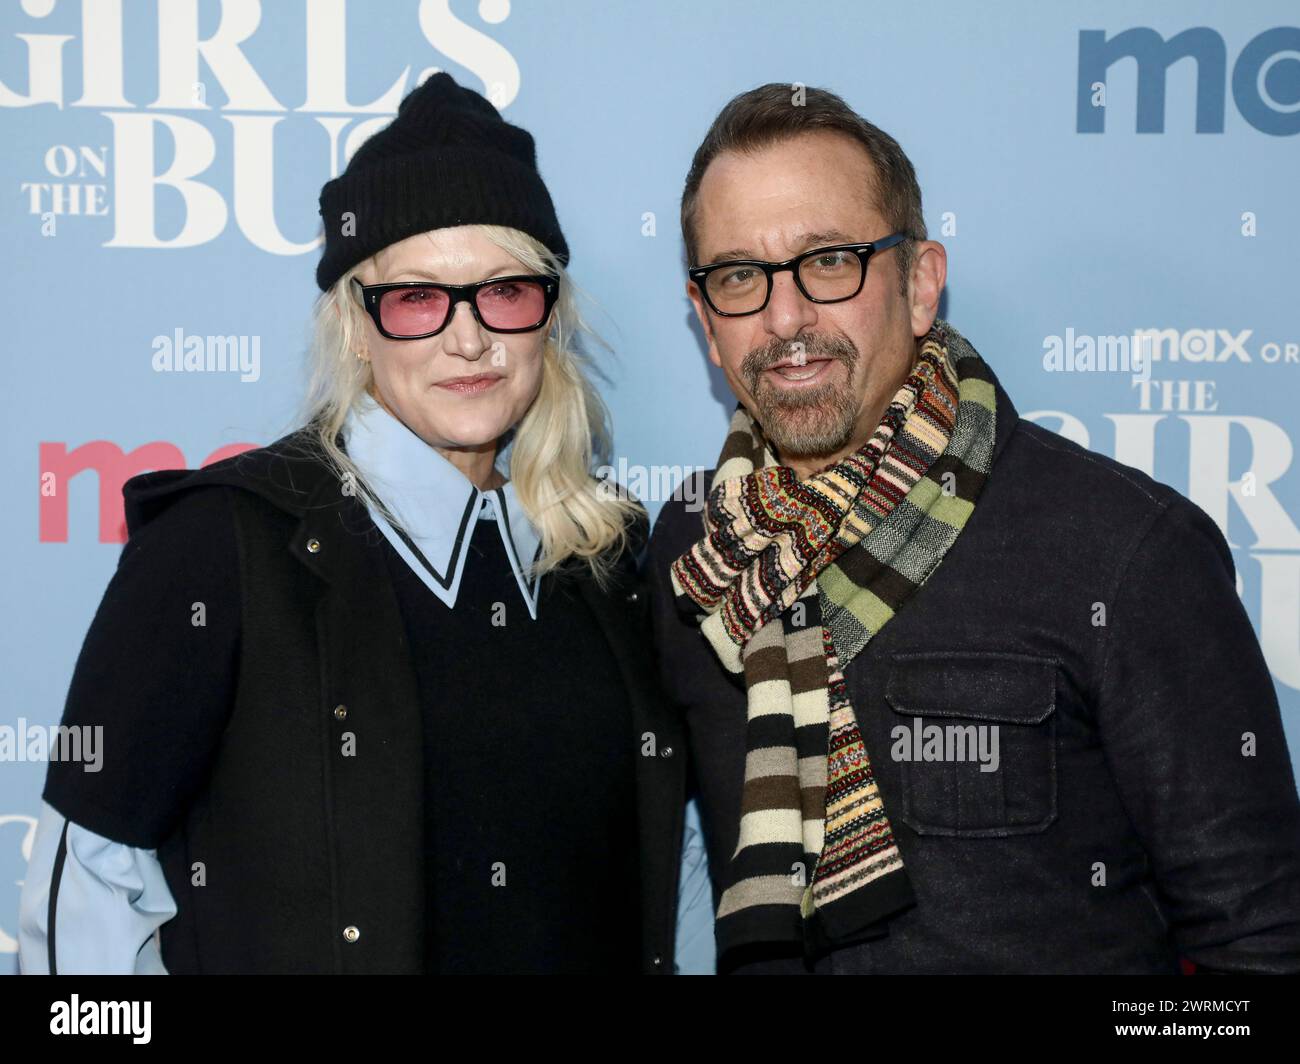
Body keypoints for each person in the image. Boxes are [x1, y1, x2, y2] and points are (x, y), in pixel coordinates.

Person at [19, 72, 693, 974]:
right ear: (353, 327)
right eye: (416, 297)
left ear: (549, 316)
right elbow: (87, 889)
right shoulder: (220, 547)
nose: (468, 339)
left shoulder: (605, 563)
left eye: (504, 291)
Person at [646, 82, 1300, 974]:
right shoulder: (692, 552)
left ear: (920, 285)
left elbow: (1258, 947)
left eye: (829, 259)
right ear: (706, 326)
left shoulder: (1123, 550)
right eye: (738, 277)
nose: (785, 317)